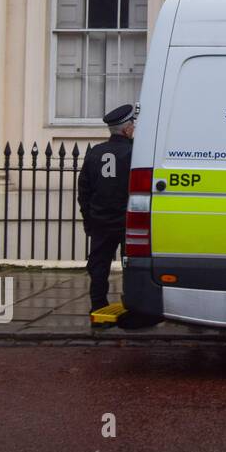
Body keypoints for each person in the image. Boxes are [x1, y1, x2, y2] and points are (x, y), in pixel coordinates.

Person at [78, 104, 135, 317]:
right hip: (126, 220)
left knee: (99, 265)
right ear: (127, 129)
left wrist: (88, 219)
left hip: (100, 220)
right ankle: (132, 304)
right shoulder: (134, 152)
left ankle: (98, 305)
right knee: (131, 264)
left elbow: (83, 189)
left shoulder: (95, 153)